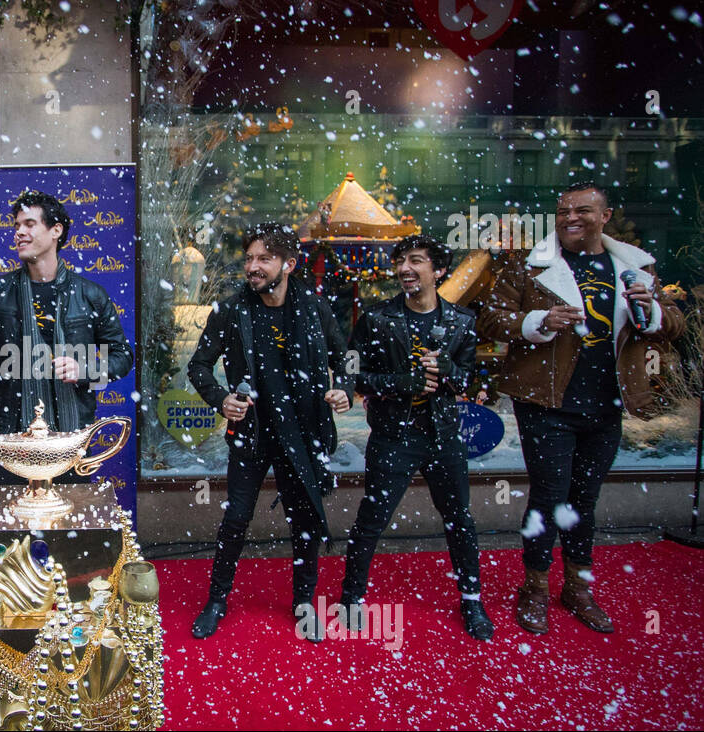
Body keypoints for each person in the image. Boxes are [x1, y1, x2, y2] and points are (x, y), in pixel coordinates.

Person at [477, 182, 685, 635]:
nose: (571, 217)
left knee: (584, 502)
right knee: (549, 499)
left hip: (606, 403)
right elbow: (491, 319)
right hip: (545, 402)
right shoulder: (528, 267)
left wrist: (651, 311)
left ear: (605, 215)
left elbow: (673, 324)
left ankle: (577, 587)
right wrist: (538, 322)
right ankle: (533, 587)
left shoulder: (634, 266)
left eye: (583, 210)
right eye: (564, 210)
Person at [187, 222, 354, 642]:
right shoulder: (230, 310)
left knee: (305, 522)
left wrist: (345, 388)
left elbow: (347, 355)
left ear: (289, 264)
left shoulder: (315, 309)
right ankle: (217, 600)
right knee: (236, 521)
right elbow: (198, 366)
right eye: (249, 259)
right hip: (253, 432)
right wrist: (220, 397)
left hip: (304, 434)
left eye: (264, 258)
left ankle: (303, 604)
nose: (253, 267)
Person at [340, 235, 494, 640]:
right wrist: (400, 383)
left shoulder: (461, 321)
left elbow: (471, 379)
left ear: (438, 270)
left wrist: (447, 371)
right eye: (400, 261)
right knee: (371, 520)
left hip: (444, 436)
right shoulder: (376, 319)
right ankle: (351, 598)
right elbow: (354, 375)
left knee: (459, 520)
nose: (404, 268)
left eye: (416, 261)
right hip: (394, 436)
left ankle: (472, 600)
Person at [0, 190, 133, 483]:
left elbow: (122, 356)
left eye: (29, 224)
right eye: (16, 226)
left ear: (56, 230)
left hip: (70, 438)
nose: (19, 233)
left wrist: (85, 370)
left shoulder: (90, 295)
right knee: (9, 525)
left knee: (68, 521)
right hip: (10, 438)